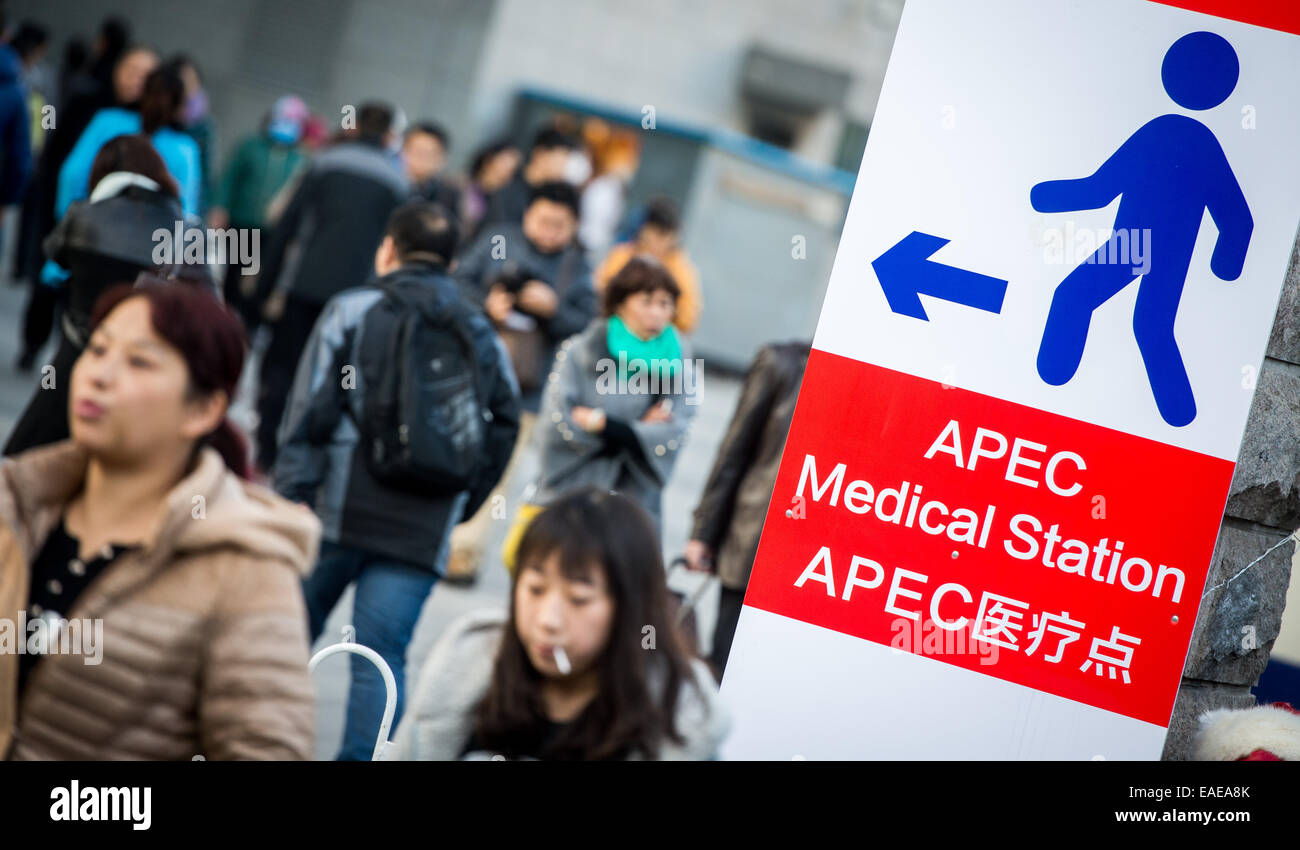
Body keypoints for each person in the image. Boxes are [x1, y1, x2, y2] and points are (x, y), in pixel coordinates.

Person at [0, 279, 320, 759]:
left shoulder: (246, 567)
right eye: (99, 349)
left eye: (139, 361)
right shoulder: (18, 504)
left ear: (204, 409)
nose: (99, 375)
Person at [275, 201, 520, 761]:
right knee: (378, 662)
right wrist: (462, 500)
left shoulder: (353, 309)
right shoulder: (479, 328)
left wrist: (294, 495)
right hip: (421, 527)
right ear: (452, 262)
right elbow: (504, 422)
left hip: (333, 512)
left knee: (283, 643)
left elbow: (307, 408)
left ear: (388, 248)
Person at [385, 487, 728, 760]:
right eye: (534, 589)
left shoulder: (680, 717)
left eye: (578, 600)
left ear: (630, 608)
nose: (547, 620)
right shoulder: (469, 666)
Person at [5, 135, 198, 457]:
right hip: (146, 384)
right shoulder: (189, 233)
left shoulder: (83, 214)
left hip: (74, 366)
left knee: (24, 465)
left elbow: (54, 255)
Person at [448, 180, 596, 581]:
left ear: (574, 226)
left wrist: (553, 311)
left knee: (499, 472)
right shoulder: (499, 240)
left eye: (560, 225)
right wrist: (487, 305)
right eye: (543, 220)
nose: (550, 231)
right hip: (471, 376)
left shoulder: (578, 266)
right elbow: (456, 285)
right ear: (528, 213)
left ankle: (462, 554)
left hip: (530, 391)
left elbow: (588, 326)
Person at [252, 101, 408, 472]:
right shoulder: (397, 182)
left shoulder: (325, 163)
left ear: (354, 127)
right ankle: (307, 458)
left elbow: (287, 225)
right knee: (336, 378)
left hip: (303, 285)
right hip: (356, 299)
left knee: (282, 369)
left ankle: (266, 451)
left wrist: (262, 289)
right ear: (390, 135)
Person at [526, 256, 697, 535]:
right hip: (570, 491)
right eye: (646, 301)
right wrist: (638, 432)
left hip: (635, 502)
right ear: (620, 302)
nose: (656, 313)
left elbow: (676, 430)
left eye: (664, 303)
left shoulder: (681, 363)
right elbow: (557, 421)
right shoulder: (579, 349)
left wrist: (602, 424)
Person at [12, 40, 152, 372]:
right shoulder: (88, 102)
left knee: (77, 306)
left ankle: (59, 367)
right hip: (67, 213)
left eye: (144, 74)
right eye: (130, 70)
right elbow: (57, 147)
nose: (135, 79)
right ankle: (33, 347)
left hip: (111, 235)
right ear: (118, 69)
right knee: (47, 285)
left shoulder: (153, 125)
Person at [684, 340, 810, 678]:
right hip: (753, 541)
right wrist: (703, 532)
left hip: (818, 569)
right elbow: (734, 452)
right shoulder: (782, 362)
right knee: (724, 667)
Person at [208, 95, 308, 323]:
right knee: (234, 274)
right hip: (244, 223)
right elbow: (230, 178)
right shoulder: (251, 146)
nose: (287, 124)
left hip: (274, 233)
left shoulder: (299, 158)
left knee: (259, 279)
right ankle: (224, 315)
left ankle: (246, 323)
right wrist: (220, 206)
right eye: (283, 117)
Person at [55, 62, 201, 217]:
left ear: (142, 91)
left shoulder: (106, 122)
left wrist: (70, 221)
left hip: (94, 228)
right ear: (179, 107)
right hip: (151, 238)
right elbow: (185, 211)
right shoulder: (184, 149)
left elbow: (72, 176)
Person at [595, 196, 702, 333]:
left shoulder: (680, 269)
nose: (659, 243)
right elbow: (602, 293)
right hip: (618, 328)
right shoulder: (622, 256)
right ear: (644, 230)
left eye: (666, 236)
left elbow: (687, 317)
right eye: (655, 234)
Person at [477, 125, 577, 232]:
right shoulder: (508, 190)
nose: (563, 168)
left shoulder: (548, 196)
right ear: (540, 154)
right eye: (561, 160)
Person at [402, 121, 461, 229]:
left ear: (443, 159)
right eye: (417, 152)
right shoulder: (387, 185)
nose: (421, 160)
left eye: (429, 154)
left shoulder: (447, 196)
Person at [460, 138, 520, 242]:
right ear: (488, 160)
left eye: (513, 169)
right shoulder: (459, 187)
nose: (506, 172)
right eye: (504, 163)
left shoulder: (502, 205)